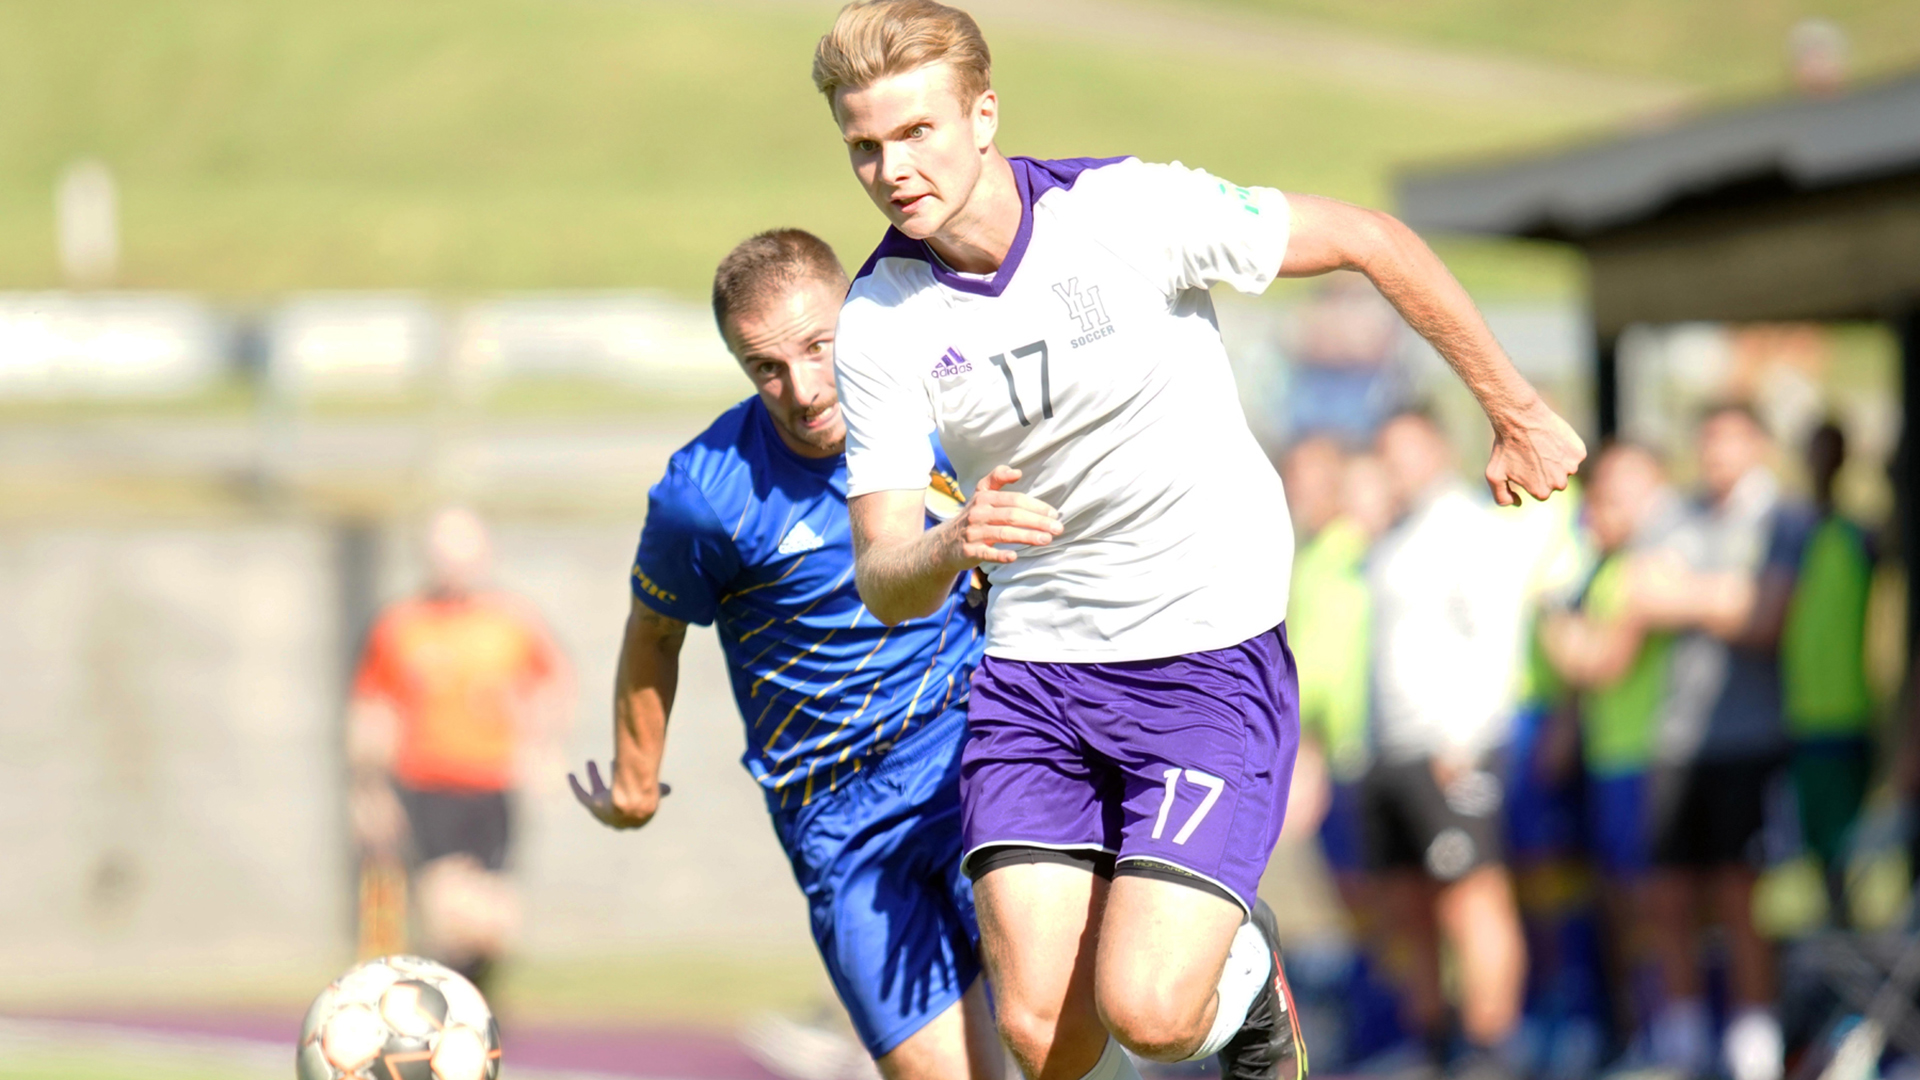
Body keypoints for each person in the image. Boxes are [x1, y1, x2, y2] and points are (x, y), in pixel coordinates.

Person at [810, 5, 1587, 1080]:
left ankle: (1249, 984)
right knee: (1045, 1041)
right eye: (865, 145)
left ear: (983, 114)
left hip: (1203, 661)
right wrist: (951, 546)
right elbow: (884, 575)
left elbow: (1371, 237)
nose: (891, 168)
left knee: (1155, 1015)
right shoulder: (879, 321)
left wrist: (1517, 412)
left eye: (916, 133)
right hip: (1036, 677)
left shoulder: (1127, 210)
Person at [568, 229, 1002, 1080]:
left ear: (855, 315)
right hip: (833, 816)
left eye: (818, 347)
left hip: (970, 753)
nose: (802, 390)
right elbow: (655, 632)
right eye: (766, 367)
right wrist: (635, 772)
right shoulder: (704, 494)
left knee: (1050, 1024)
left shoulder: (947, 404)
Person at [1629, 403, 1816, 1080]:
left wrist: (1690, 594)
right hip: (1676, 739)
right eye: (1707, 442)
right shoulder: (1671, 514)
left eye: (1732, 442)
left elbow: (1765, 616)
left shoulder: (1781, 518)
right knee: (1670, 897)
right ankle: (1681, 1042)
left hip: (1750, 735)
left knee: (1741, 896)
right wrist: (1721, 597)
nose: (1717, 456)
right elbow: (1643, 596)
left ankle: (1754, 1042)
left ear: (1758, 445)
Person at [346, 506, 574, 996]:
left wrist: (544, 748)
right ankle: (444, 1027)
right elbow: (372, 710)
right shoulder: (400, 626)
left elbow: (553, 684)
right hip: (428, 785)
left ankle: (474, 1018)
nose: (454, 567)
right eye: (444, 556)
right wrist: (368, 789)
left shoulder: (512, 621)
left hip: (492, 786)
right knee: (450, 916)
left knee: (495, 926)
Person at [1365, 410, 1531, 1074]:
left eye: (1406, 450)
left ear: (1437, 447)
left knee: (1472, 897)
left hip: (1451, 746)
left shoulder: (1467, 525)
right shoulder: (1390, 536)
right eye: (1386, 452)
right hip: (1392, 747)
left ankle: (1490, 1051)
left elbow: (1498, 638)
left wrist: (1463, 736)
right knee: (1410, 909)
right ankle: (1430, 1048)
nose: (1394, 466)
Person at [1538, 443, 1687, 1061]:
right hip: (1613, 758)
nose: (1597, 509)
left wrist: (1551, 622)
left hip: (1649, 759)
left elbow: (1597, 660)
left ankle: (1665, 1037)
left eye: (1614, 497)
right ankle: (1638, 1034)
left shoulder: (1652, 564)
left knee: (1654, 908)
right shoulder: (1604, 567)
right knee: (1622, 905)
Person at [1282, 446, 1404, 1069]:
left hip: (1352, 753)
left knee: (1371, 903)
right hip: (1331, 752)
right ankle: (1369, 1033)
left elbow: (1327, 670)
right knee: (1352, 904)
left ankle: (1387, 1033)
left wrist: (1314, 753)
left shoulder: (1354, 554)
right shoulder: (1317, 555)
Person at [1781, 421, 1876, 926]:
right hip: (1794, 717)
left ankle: (1846, 945)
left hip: (1846, 715)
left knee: (1845, 850)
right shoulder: (1786, 535)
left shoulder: (1862, 537)